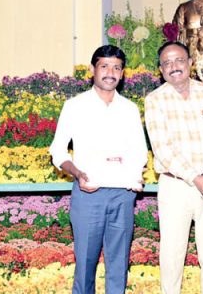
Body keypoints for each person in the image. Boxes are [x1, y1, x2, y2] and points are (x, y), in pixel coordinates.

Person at [48, 45, 147, 294]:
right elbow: (58, 151)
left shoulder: (130, 109)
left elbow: (139, 151)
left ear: (123, 73)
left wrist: (136, 176)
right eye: (104, 66)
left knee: (118, 264)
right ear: (93, 70)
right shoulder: (75, 106)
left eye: (116, 67)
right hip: (88, 192)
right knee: (85, 264)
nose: (110, 72)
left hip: (123, 194)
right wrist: (78, 173)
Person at [144, 41, 203, 294]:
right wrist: (195, 178)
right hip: (176, 185)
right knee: (172, 254)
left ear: (190, 62)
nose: (173, 67)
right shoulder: (155, 100)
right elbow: (163, 150)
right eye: (166, 63)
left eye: (179, 60)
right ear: (161, 70)